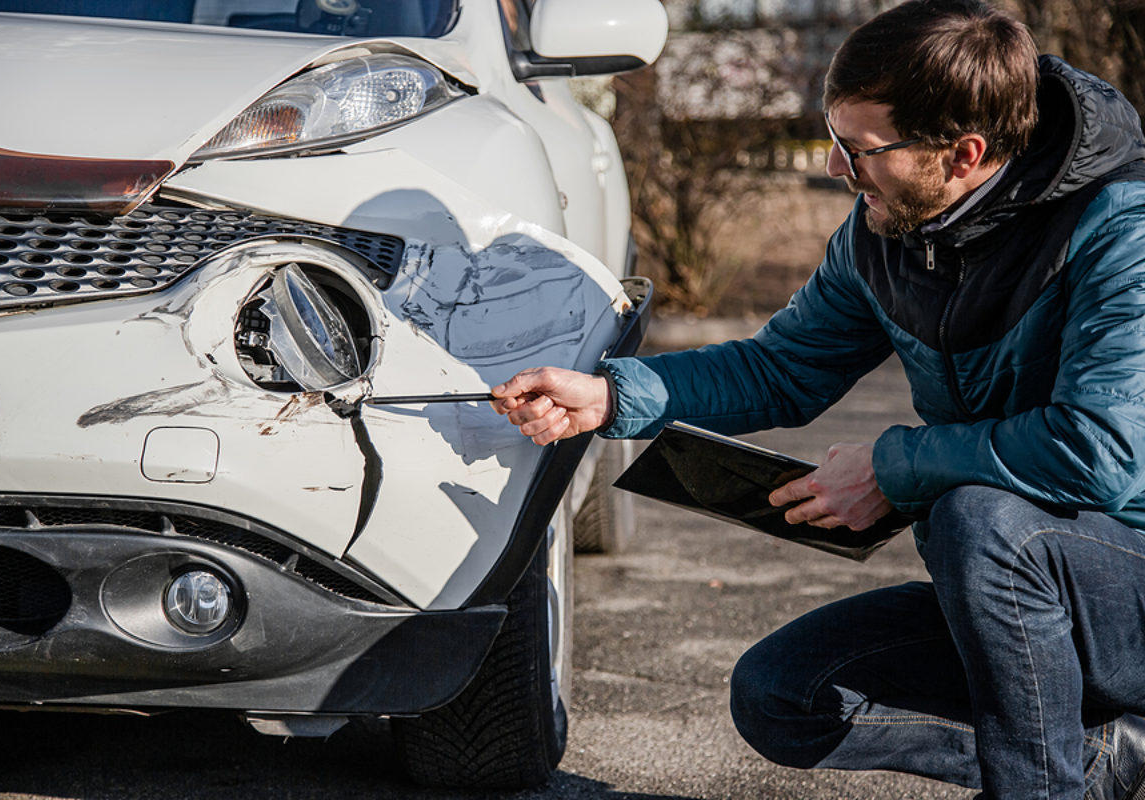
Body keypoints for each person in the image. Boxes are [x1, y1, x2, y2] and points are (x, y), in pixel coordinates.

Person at [489, 1, 1145, 797]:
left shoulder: (1122, 228)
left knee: (985, 519)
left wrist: (892, 467)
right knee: (785, 693)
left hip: (1120, 587)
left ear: (964, 153)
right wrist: (609, 395)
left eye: (859, 148)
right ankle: (1104, 755)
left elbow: (1100, 451)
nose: (836, 167)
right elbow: (781, 369)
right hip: (1018, 594)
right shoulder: (884, 234)